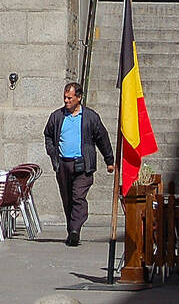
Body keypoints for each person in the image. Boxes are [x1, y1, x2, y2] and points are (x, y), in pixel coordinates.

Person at [43, 81, 114, 247]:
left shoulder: (90, 117)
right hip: (63, 164)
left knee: (78, 197)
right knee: (67, 199)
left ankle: (75, 230)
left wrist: (109, 160)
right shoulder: (57, 116)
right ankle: (72, 230)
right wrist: (53, 155)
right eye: (65, 98)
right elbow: (48, 136)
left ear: (79, 98)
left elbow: (102, 138)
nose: (66, 101)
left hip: (83, 164)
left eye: (70, 98)